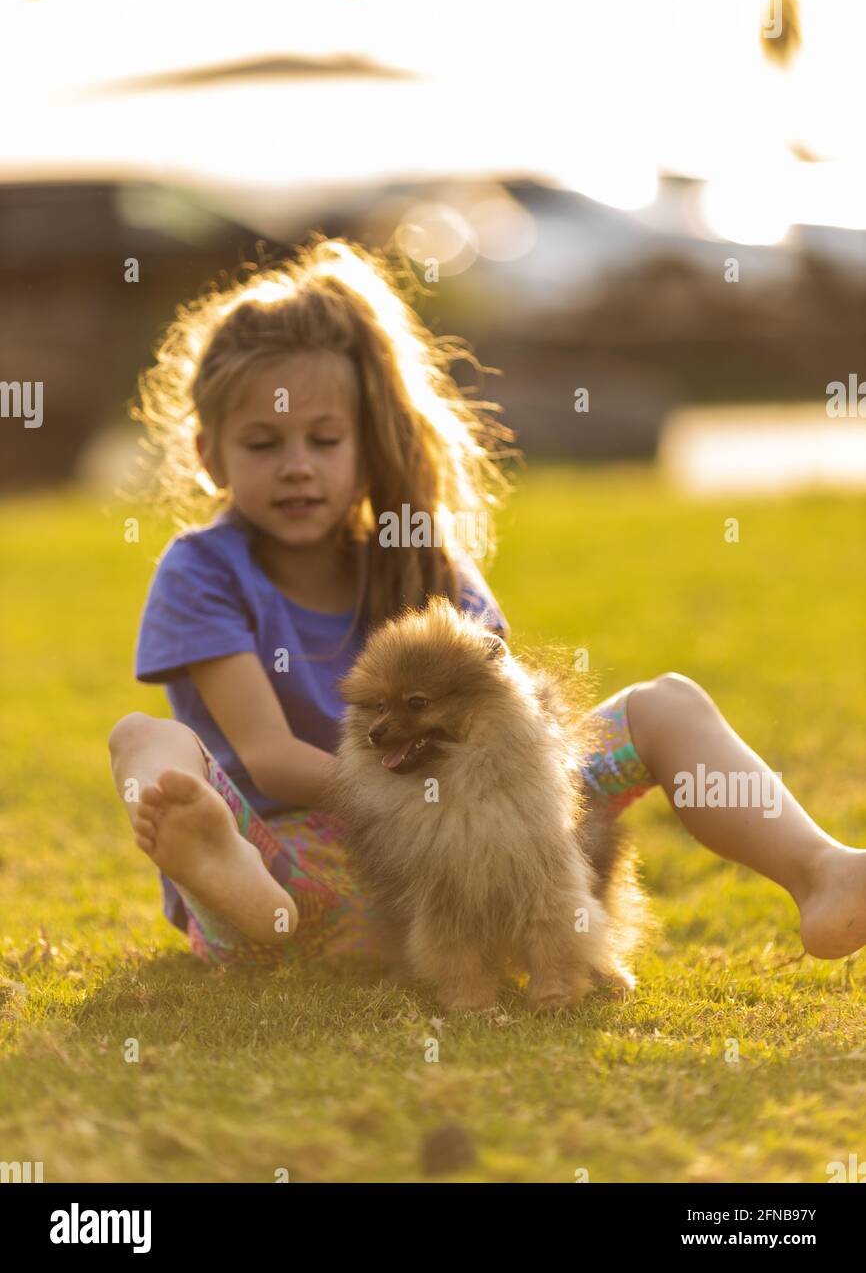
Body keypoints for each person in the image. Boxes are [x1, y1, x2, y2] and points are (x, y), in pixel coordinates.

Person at [108, 237, 866, 971]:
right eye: (264, 444)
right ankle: (225, 876)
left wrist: (503, 804)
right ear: (210, 456)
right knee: (144, 740)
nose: (298, 467)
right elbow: (269, 759)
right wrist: (424, 804)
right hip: (299, 859)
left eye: (324, 439)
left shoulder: (415, 553)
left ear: (369, 442)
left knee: (665, 705)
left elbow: (511, 716)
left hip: (457, 860)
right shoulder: (202, 568)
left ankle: (821, 870)